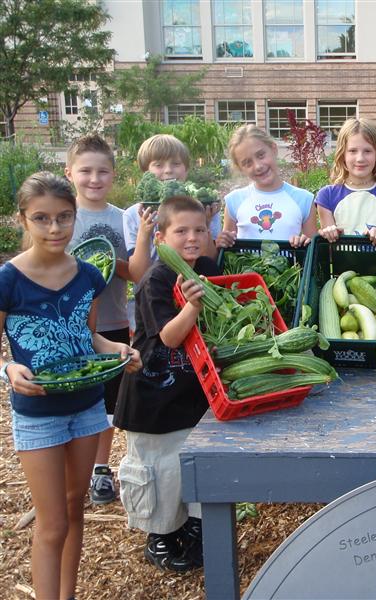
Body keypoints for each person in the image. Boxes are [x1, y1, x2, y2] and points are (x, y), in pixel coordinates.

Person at [0, 172, 141, 600]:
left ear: (74, 217)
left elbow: (88, 337)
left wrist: (118, 350)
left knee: (75, 507)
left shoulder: (88, 275)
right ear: (23, 219)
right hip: (38, 414)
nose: (54, 228)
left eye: (64, 217)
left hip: (87, 409)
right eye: (41, 218)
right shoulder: (9, 279)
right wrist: (8, 369)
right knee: (52, 523)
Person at [114, 195, 220, 572]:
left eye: (200, 230)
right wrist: (193, 306)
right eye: (181, 231)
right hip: (152, 393)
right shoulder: (155, 279)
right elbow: (170, 338)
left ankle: (192, 529)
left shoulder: (206, 267)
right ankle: (159, 538)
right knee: (158, 470)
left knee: (189, 465)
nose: (192, 238)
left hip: (191, 391)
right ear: (160, 237)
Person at [64, 134, 132, 505]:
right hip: (69, 327)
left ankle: (100, 469)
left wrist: (108, 264)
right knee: (74, 398)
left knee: (108, 404)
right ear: (69, 173)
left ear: (113, 174)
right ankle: (72, 469)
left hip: (113, 322)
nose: (94, 179)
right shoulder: (63, 218)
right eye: (85, 171)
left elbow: (135, 271)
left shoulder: (122, 219)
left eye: (102, 171)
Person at [123, 134, 219, 284]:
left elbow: (211, 266)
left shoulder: (203, 208)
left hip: (197, 287)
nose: (168, 170)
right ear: (145, 172)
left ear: (186, 170)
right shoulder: (133, 215)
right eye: (158, 165)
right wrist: (144, 232)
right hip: (154, 292)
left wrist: (205, 223)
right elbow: (138, 276)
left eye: (176, 164)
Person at [216, 124, 315, 250]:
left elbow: (314, 251)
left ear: (273, 149)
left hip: (290, 263)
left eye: (261, 155)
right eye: (247, 163)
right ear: (240, 168)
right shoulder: (234, 201)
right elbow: (227, 251)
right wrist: (221, 242)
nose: (258, 166)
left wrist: (304, 242)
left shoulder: (303, 199)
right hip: (248, 264)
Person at [316, 118, 376, 246]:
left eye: (367, 151)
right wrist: (330, 233)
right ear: (342, 155)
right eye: (353, 151)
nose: (360, 158)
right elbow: (329, 251)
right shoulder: (327, 196)